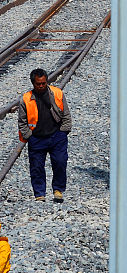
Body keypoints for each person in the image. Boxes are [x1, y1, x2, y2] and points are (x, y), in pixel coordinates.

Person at [16, 68, 72, 202]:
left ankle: (58, 190)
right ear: (33, 83)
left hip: (57, 135)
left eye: (43, 83)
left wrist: (64, 131)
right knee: (36, 167)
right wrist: (29, 136)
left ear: (46, 81)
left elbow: (66, 114)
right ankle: (39, 193)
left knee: (60, 162)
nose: (41, 86)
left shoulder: (57, 93)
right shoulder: (26, 99)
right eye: (38, 84)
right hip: (36, 138)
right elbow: (22, 121)